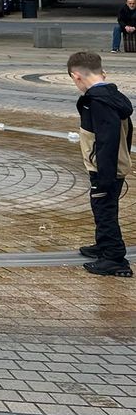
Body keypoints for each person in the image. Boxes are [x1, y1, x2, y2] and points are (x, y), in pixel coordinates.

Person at [66, 50, 133, 277]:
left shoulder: (98, 103)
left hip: (106, 170)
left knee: (105, 210)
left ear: (77, 77)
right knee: (102, 208)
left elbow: (107, 140)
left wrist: (104, 177)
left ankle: (114, 258)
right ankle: (104, 245)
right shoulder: (111, 96)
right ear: (102, 73)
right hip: (112, 166)